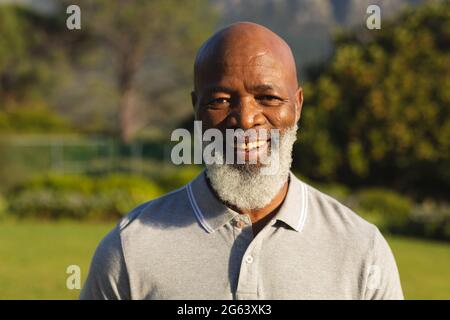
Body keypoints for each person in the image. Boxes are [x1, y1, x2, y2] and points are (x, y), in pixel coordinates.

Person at [80, 22, 403, 300]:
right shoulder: (130, 248)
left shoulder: (361, 248)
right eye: (220, 100)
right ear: (197, 108)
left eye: (269, 98)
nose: (246, 120)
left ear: (298, 105)